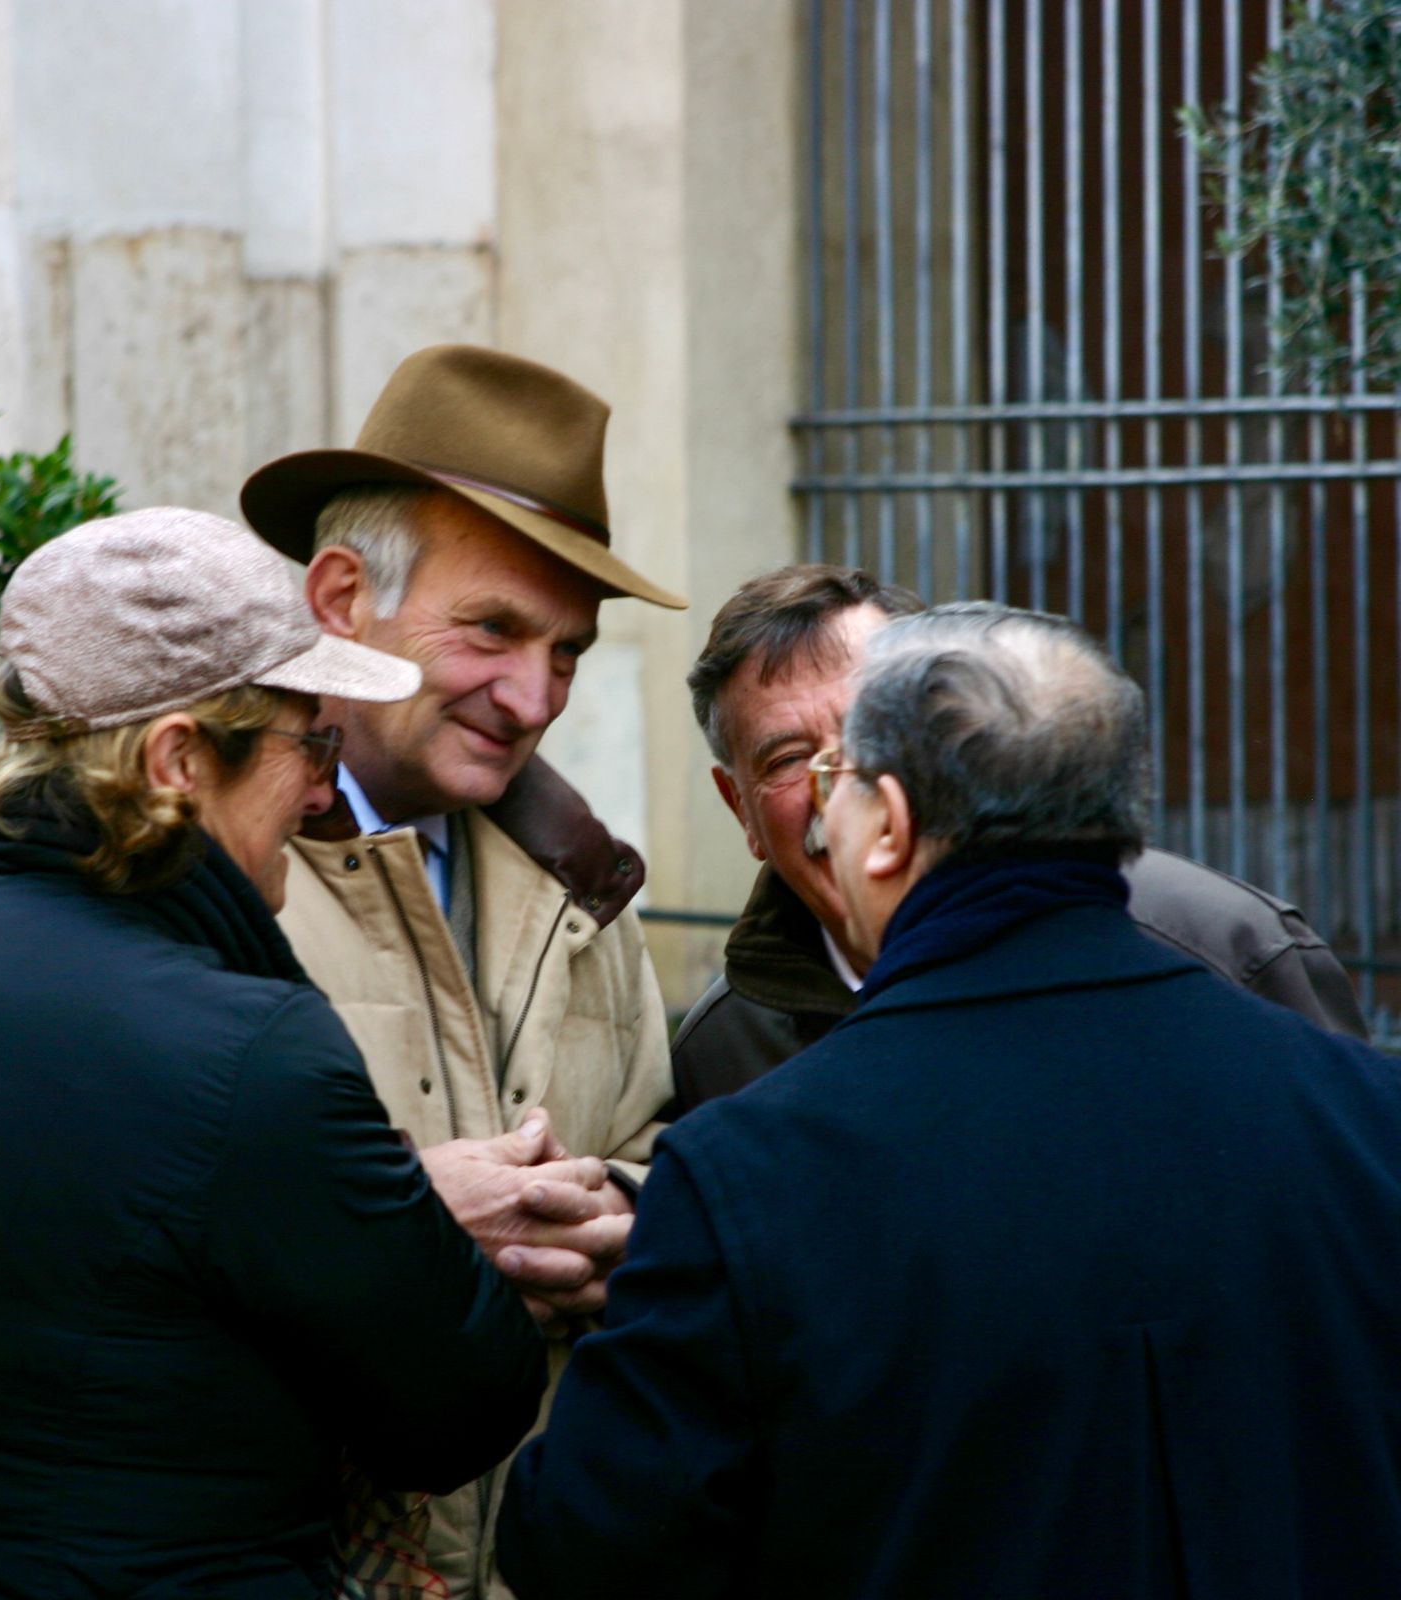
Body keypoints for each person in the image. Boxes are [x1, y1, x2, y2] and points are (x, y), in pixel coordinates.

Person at [498, 602, 1401, 1599]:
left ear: (885, 824)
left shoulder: (745, 1175)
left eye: (835, 781)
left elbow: (587, 1547)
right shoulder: (1371, 1115)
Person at [0, 507, 547, 1598]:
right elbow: (464, 1406)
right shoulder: (252, 1050)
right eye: (311, 739)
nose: (318, 789)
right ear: (178, 761)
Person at [237, 343, 684, 1596]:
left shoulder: (585, 886)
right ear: (339, 597)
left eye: (568, 650)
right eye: (492, 629)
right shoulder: (159, 859)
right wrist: (391, 1229)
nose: (533, 693)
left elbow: (650, 1137)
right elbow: (55, 1223)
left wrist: (617, 1221)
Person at [673, 565, 1366, 1110]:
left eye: (867, 732)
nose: (838, 782)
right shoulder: (725, 1048)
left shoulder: (1226, 947)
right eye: (788, 759)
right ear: (740, 808)